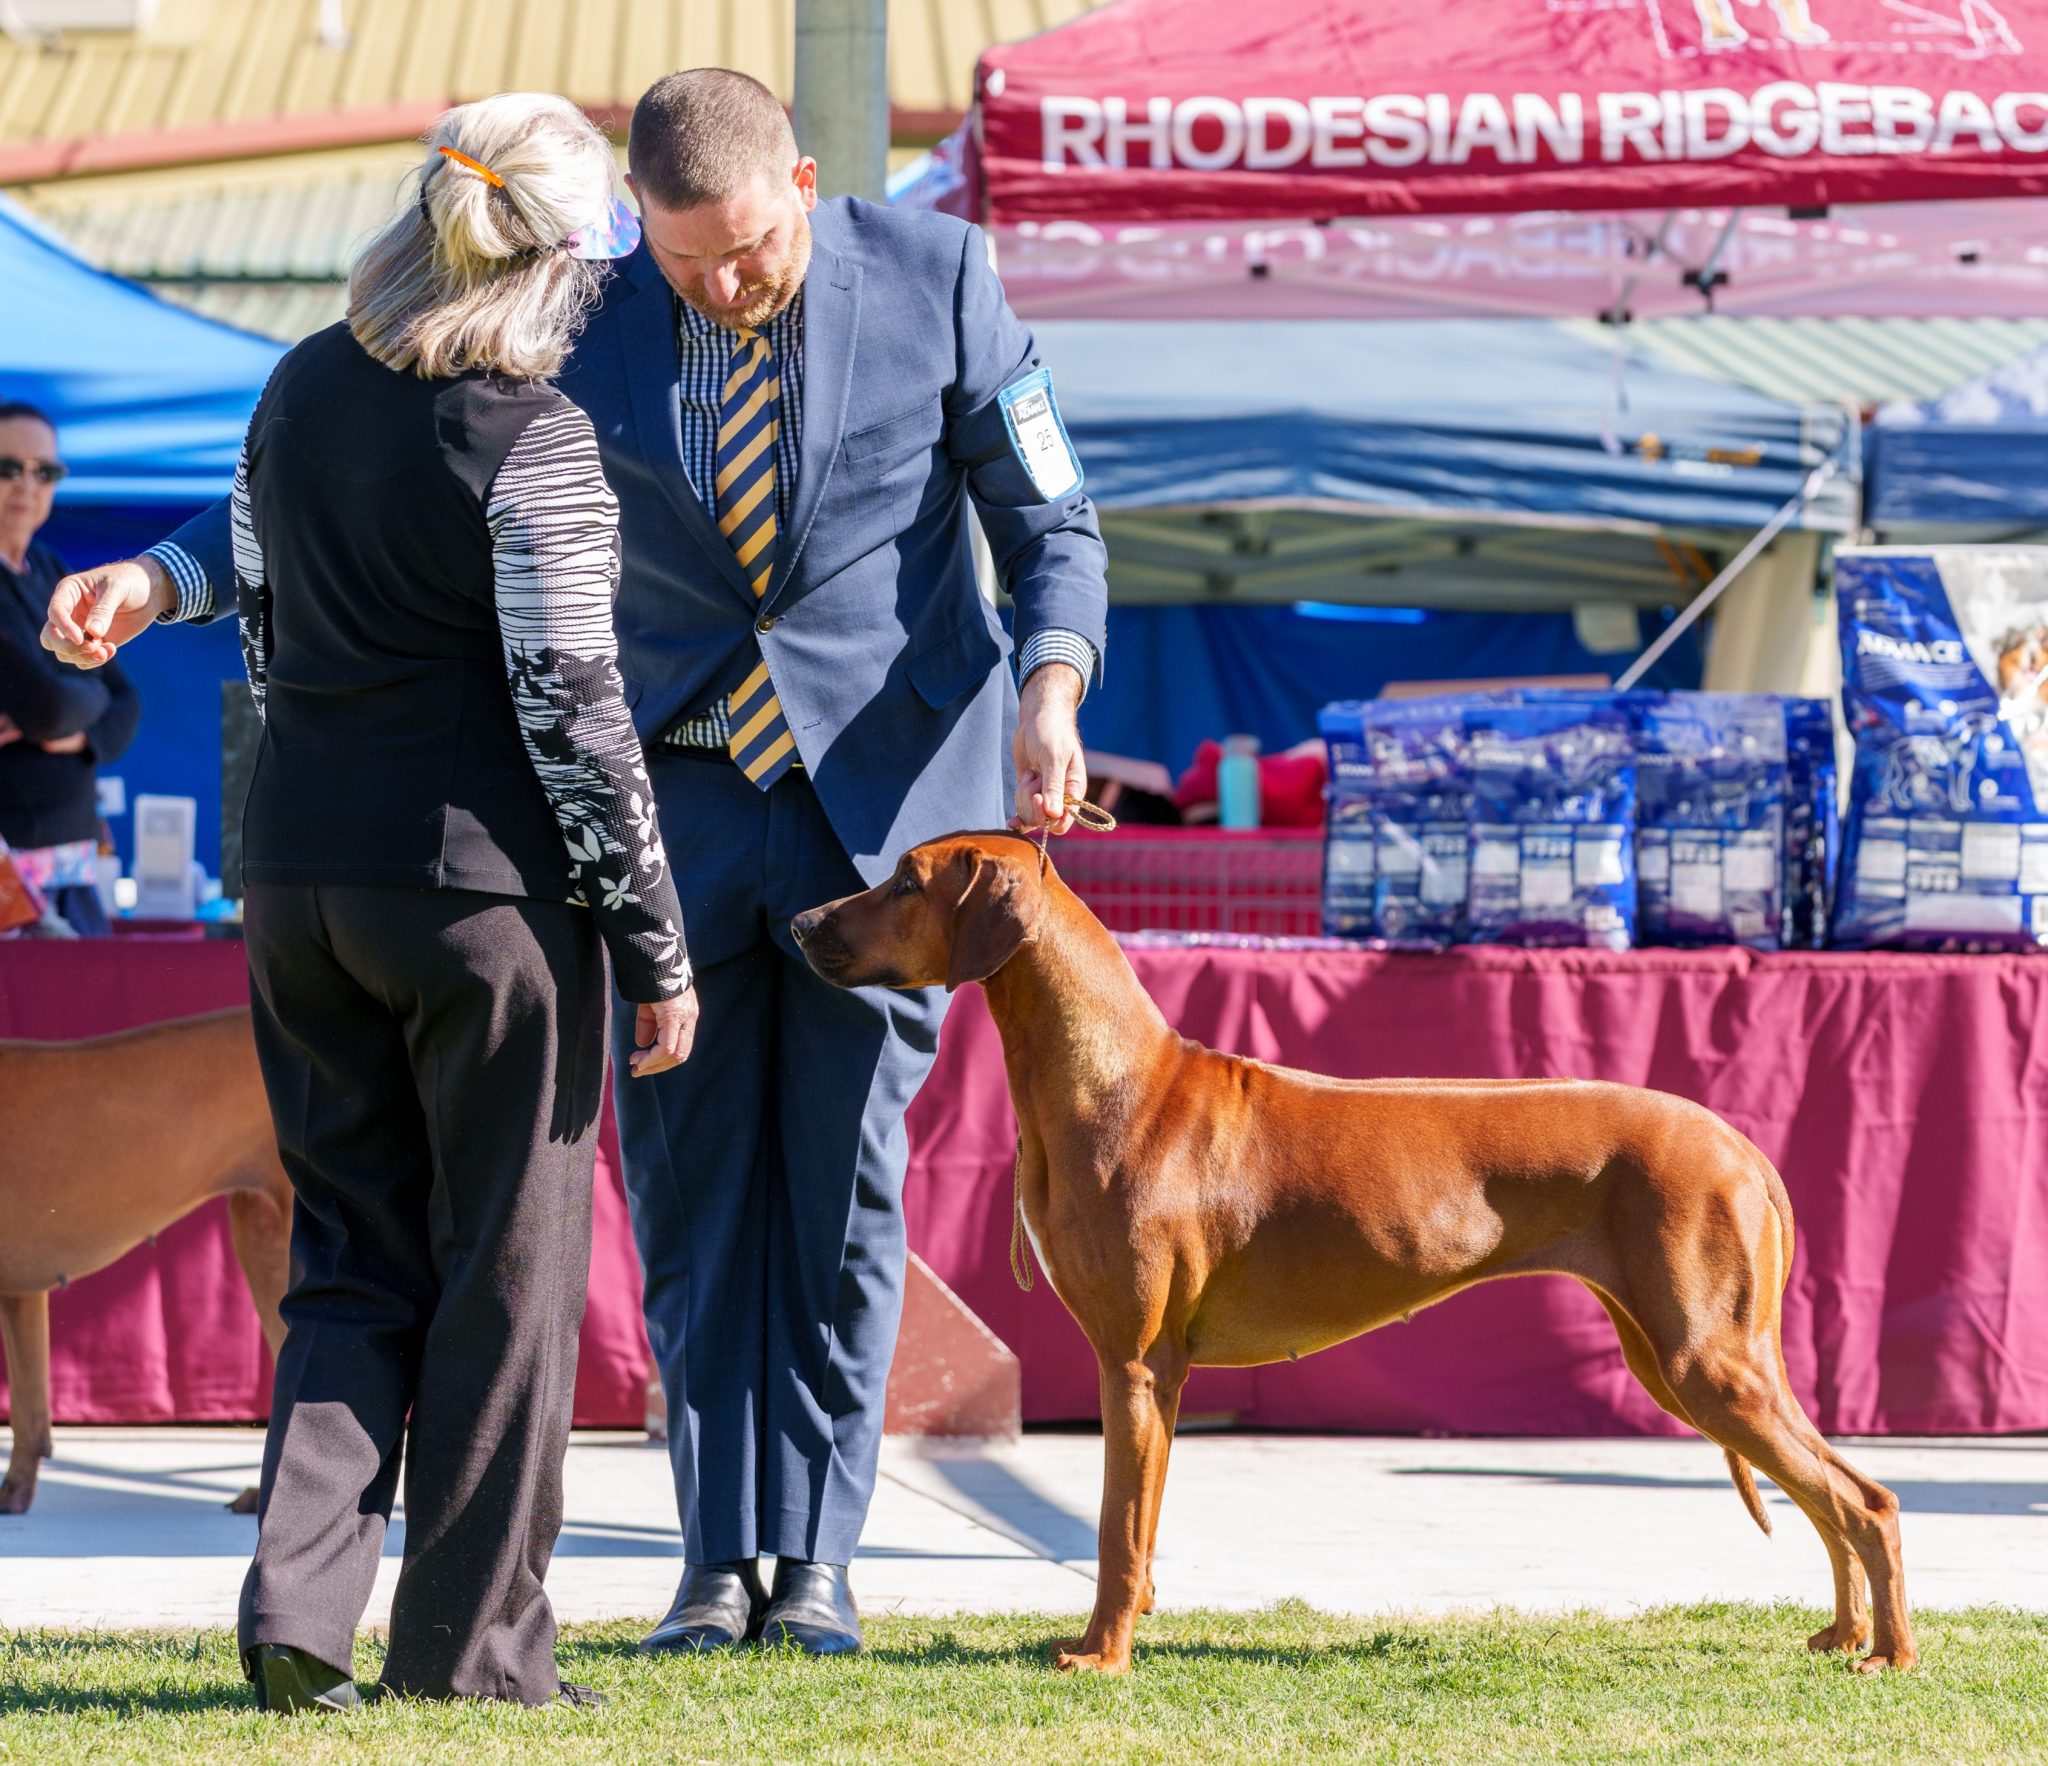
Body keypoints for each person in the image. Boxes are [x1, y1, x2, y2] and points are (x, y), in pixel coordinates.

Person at [45, 68, 1108, 1659]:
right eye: (683, 264)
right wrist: (157, 572)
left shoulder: (942, 276)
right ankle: (710, 1557)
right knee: (683, 1196)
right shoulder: (573, 297)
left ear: (805, 188)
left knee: (844, 1188)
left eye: (745, 252)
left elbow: (1053, 519)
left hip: (873, 819)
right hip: (659, 807)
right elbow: (338, 478)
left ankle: (813, 1560)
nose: (719, 286)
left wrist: (1052, 683)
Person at [200, 94, 691, 1712]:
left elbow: (260, 619)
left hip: (297, 873)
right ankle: (473, 1652)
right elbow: (573, 705)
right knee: (506, 1269)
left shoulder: (298, 382)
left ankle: (297, 1615)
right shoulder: (530, 433)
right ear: (563, 263)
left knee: (345, 1249)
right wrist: (650, 941)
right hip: (482, 901)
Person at [0, 399, 136, 935]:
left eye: (45, 471)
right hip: (10, 874)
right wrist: (87, 694)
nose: (28, 485)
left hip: (73, 863)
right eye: (7, 468)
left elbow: (128, 705)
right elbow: (50, 707)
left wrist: (78, 735)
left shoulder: (53, 570)